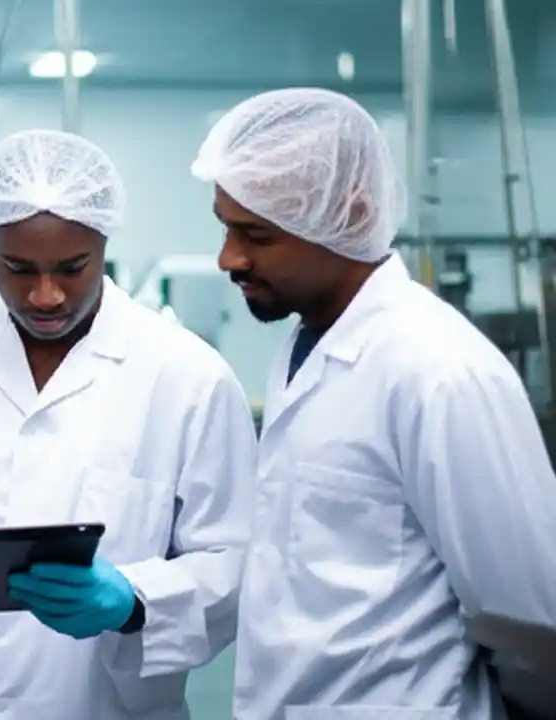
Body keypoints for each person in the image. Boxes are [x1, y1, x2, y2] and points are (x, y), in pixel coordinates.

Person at [0, 129, 258, 719]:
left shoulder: (188, 377)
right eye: (16, 268)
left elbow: (236, 560)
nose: (45, 295)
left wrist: (135, 601)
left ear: (104, 243)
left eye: (71, 268)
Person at [192, 87, 556, 718]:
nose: (229, 257)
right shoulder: (305, 342)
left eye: (255, 234)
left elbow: (528, 612)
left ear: (350, 213)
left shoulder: (439, 371)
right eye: (226, 226)